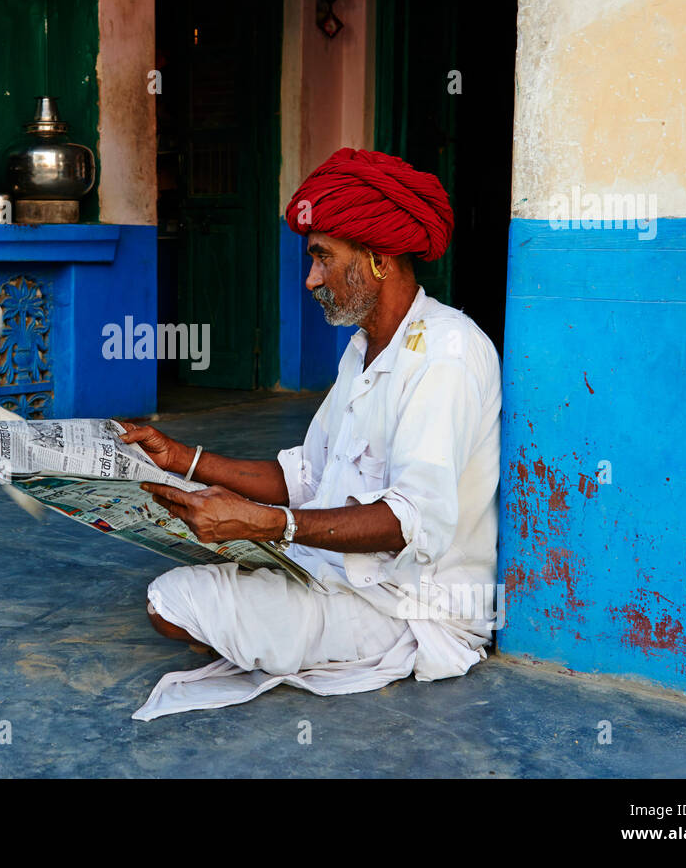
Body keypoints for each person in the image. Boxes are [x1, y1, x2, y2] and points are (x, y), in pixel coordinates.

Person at [121, 148, 502, 720]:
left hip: (407, 609)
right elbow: (305, 474)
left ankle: (288, 634)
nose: (310, 278)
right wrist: (179, 457)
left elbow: (410, 522)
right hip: (335, 576)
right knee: (179, 595)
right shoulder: (364, 350)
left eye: (323, 257)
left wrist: (272, 525)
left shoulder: (446, 352)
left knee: (170, 603)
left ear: (376, 258)